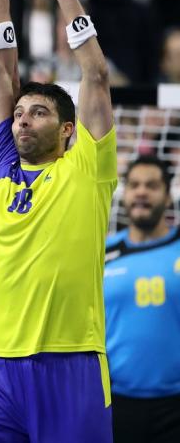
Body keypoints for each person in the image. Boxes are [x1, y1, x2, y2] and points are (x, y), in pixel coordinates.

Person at [0, 0, 116, 441]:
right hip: (0, 368)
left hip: (71, 365)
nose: (22, 119)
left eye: (39, 113)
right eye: (20, 113)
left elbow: (94, 76)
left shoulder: (86, 167)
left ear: (68, 130)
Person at [105, 155, 180, 443]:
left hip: (175, 403)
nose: (141, 192)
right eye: (134, 185)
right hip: (116, 401)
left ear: (167, 193)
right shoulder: (102, 253)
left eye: (151, 185)